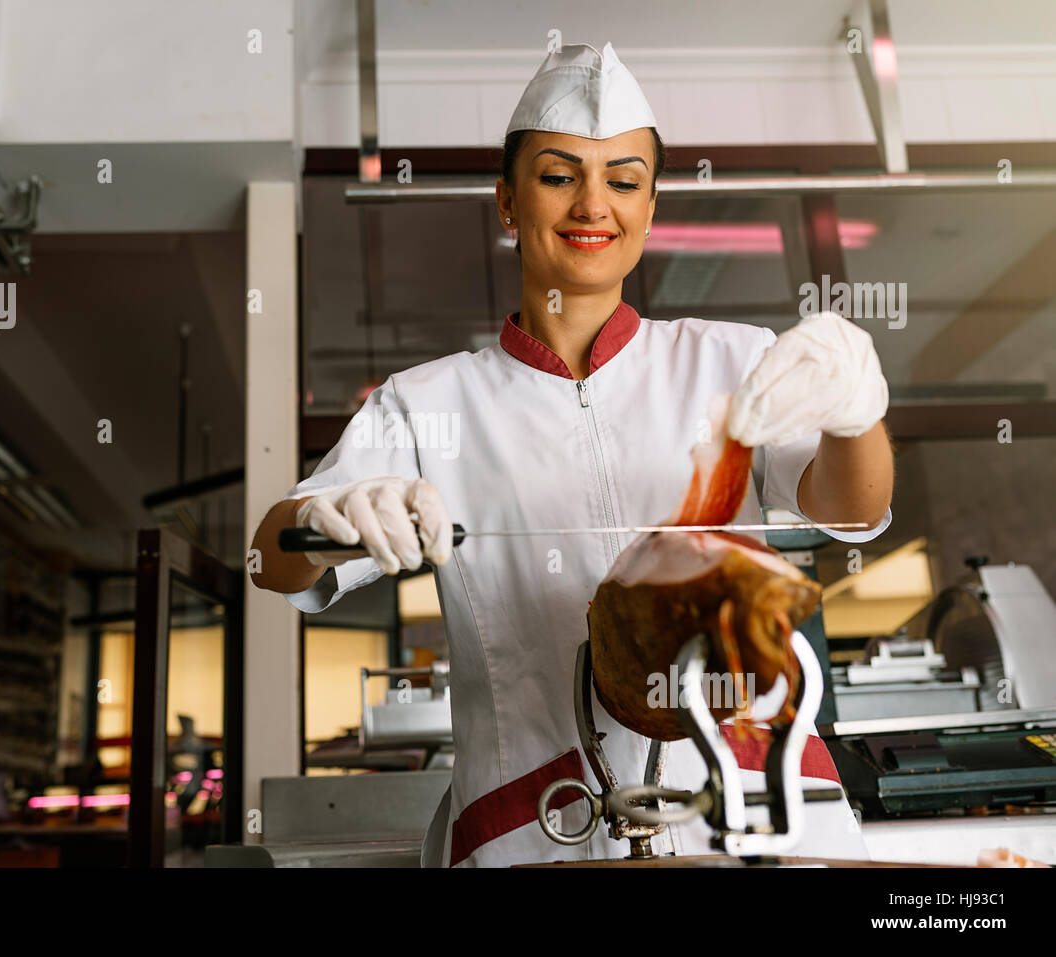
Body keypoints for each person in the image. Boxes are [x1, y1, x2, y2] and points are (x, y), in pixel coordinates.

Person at [250, 41, 893, 867]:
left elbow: (851, 512)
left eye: (624, 180)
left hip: (754, 817)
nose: (594, 203)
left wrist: (855, 414)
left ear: (651, 208)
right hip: (535, 829)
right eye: (559, 176)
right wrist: (321, 521)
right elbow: (271, 565)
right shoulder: (426, 404)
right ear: (508, 204)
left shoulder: (733, 361)